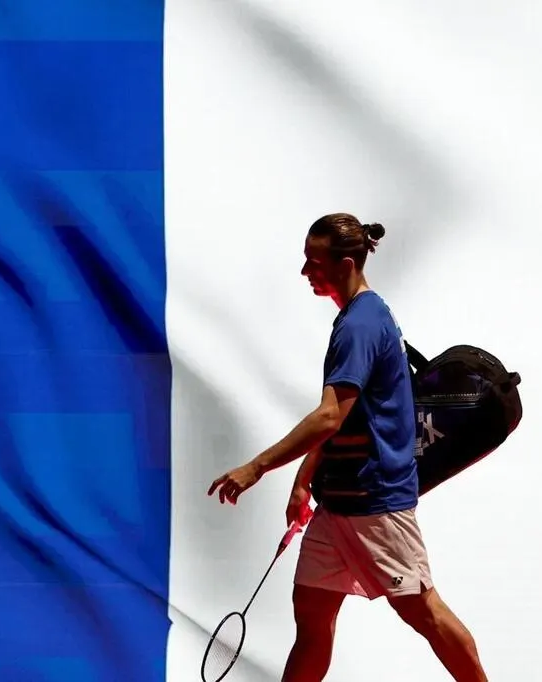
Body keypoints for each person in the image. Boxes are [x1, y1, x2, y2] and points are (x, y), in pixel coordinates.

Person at [207, 213, 488, 682]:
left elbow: (329, 415)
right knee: (312, 619)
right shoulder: (360, 317)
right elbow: (348, 414)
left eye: (314, 263)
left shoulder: (361, 324)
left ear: (347, 263)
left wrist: (255, 468)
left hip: (376, 504)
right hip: (338, 505)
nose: (305, 273)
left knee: (425, 614)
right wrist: (303, 482)